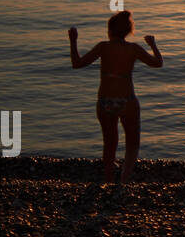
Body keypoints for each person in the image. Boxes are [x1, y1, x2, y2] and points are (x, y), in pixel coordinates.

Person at [68, 11, 162, 184]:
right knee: (132, 142)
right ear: (128, 31)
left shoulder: (103, 47)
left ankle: (109, 179)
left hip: (105, 101)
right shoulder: (133, 49)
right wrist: (153, 44)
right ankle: (124, 179)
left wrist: (73, 40)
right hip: (127, 101)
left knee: (109, 143)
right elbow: (158, 63)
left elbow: (77, 64)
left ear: (110, 30)